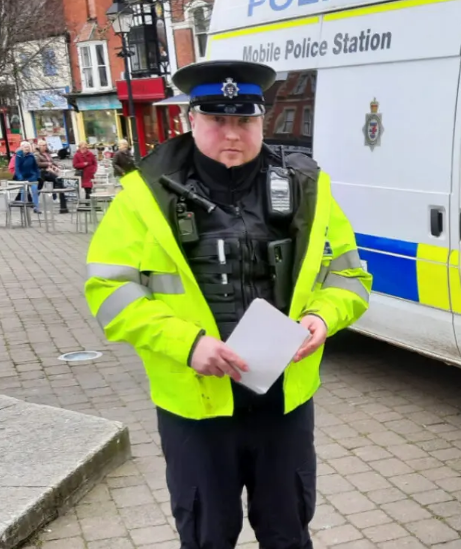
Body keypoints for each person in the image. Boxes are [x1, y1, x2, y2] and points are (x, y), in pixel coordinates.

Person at [83, 59, 372, 549]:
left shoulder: (308, 189)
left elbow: (350, 276)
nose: (232, 134)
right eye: (217, 119)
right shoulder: (143, 195)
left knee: (288, 532)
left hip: (283, 403)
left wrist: (324, 316)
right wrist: (188, 344)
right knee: (206, 535)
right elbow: (109, 290)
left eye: (245, 120)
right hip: (196, 405)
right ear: (191, 118)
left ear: (263, 120)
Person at [35, 140, 69, 213]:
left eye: (45, 145)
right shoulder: (37, 154)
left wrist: (57, 165)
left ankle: (55, 197)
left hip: (49, 170)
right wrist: (48, 164)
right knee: (40, 185)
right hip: (42, 172)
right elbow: (38, 163)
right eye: (43, 145)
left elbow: (52, 161)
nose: (45, 147)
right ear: (39, 146)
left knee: (55, 180)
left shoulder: (47, 153)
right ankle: (34, 199)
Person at [14, 141, 41, 214]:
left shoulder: (31, 156)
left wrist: (37, 175)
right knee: (23, 192)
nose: (27, 149)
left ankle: (36, 207)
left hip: (32, 176)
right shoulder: (18, 156)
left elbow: (35, 167)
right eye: (25, 147)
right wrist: (20, 177)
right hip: (23, 177)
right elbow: (17, 168)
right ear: (22, 147)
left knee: (35, 191)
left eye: (28, 147)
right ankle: (23, 207)